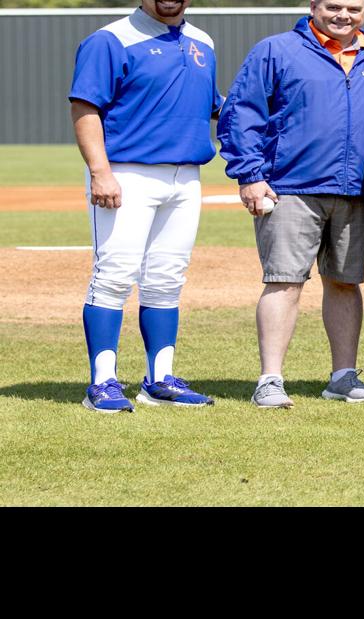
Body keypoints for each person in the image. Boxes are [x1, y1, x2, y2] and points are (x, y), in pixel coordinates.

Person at [218, 0, 364, 408]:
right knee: (284, 280)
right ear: (314, 7)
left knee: (346, 282)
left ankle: (343, 377)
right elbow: (241, 114)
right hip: (290, 188)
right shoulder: (276, 51)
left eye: (353, 8)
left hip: (358, 191)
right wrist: (250, 175)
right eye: (333, 6)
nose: (343, 15)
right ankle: (270, 380)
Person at [69, 0, 222, 412]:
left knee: (167, 278)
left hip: (185, 175)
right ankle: (101, 383)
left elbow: (213, 106)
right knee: (114, 275)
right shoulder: (110, 40)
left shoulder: (202, 41)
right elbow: (85, 106)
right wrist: (100, 170)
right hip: (126, 172)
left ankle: (159, 380)